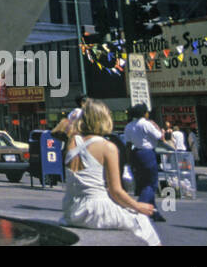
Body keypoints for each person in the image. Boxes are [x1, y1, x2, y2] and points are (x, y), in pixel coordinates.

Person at [60, 99, 160, 246]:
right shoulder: (107, 147)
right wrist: (138, 206)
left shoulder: (72, 143)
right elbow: (116, 191)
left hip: (72, 208)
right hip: (96, 210)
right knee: (142, 222)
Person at [122, 104, 166, 222]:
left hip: (135, 154)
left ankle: (154, 212)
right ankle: (139, 208)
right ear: (144, 113)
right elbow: (159, 137)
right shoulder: (146, 124)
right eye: (147, 112)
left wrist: (128, 160)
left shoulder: (129, 126)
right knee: (151, 184)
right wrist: (159, 129)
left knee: (142, 183)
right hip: (147, 153)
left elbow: (128, 144)